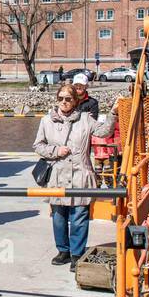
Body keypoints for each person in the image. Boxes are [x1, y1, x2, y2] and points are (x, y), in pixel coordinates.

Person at [33, 81, 118, 267]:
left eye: (68, 99)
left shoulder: (86, 119)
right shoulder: (46, 120)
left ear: (75, 101)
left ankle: (77, 254)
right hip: (57, 175)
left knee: (79, 216)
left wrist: (113, 114)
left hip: (81, 174)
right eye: (61, 98)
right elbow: (38, 145)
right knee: (58, 216)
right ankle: (63, 250)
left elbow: (104, 132)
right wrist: (56, 151)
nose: (64, 102)